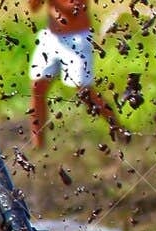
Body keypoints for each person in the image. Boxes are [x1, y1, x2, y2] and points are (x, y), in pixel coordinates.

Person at [27, 0, 123, 149]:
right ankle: (37, 146)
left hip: (77, 39)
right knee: (37, 87)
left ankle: (120, 130)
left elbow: (72, 12)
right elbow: (33, 8)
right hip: (51, 36)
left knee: (84, 93)